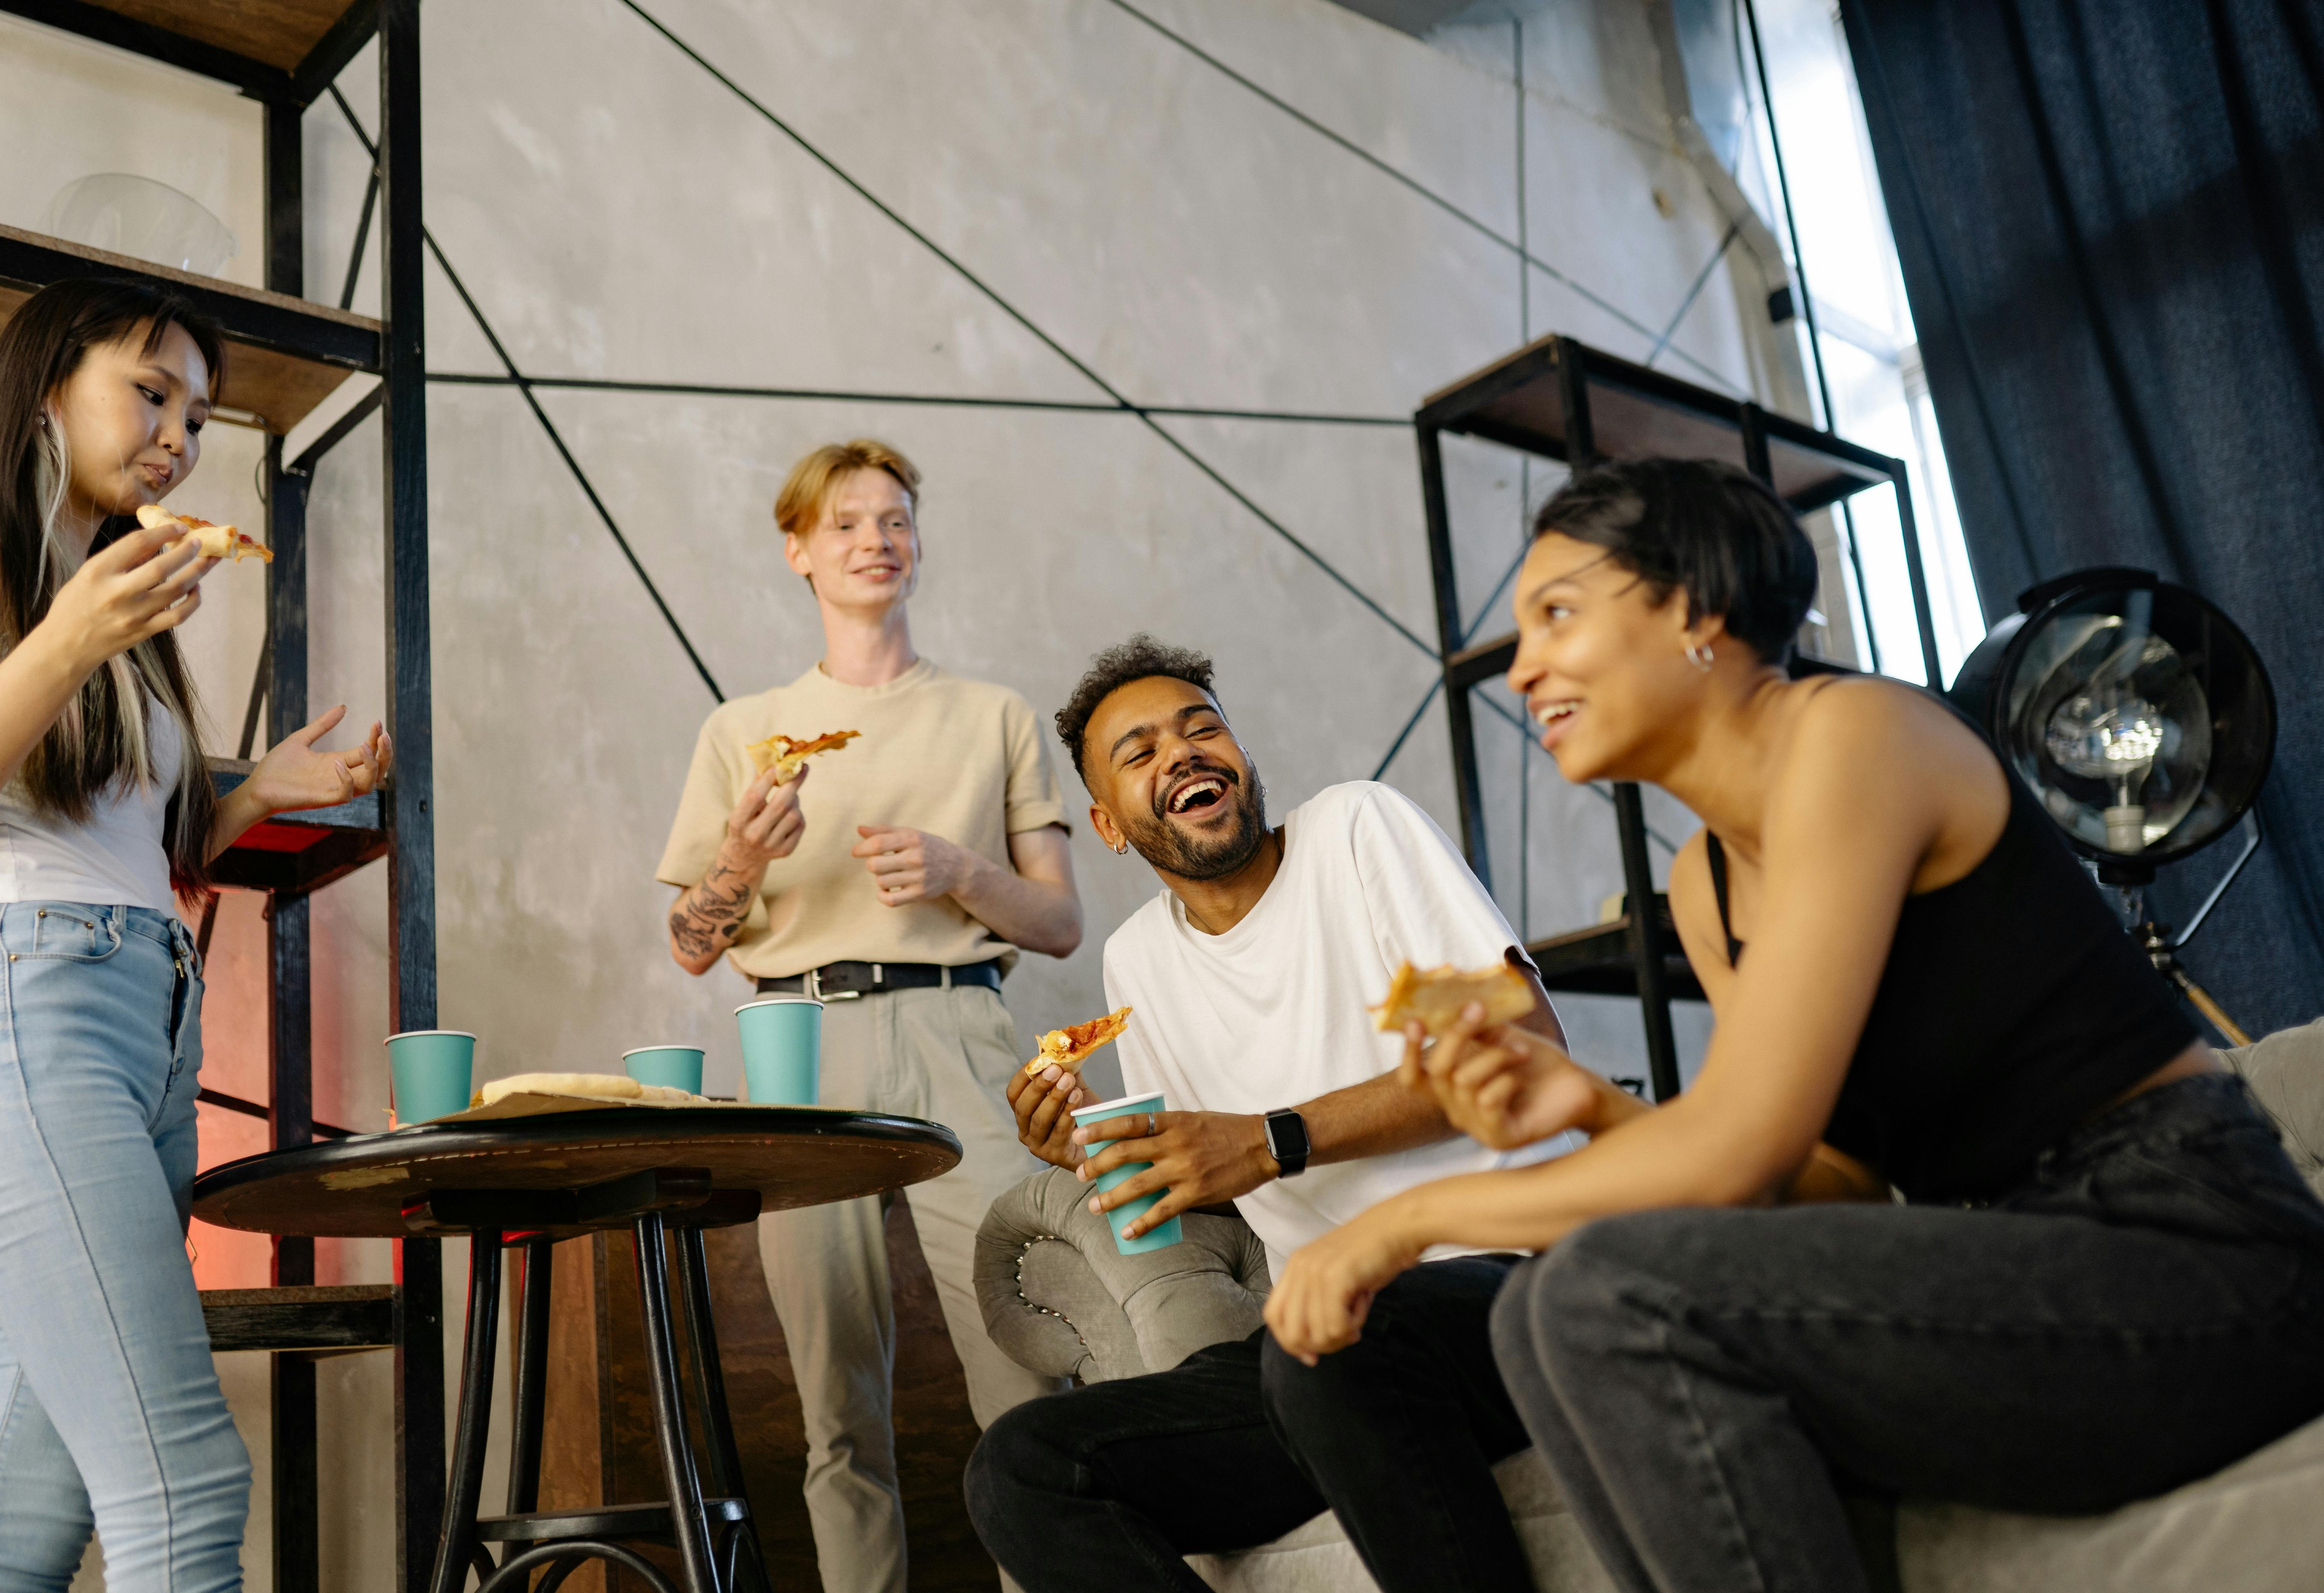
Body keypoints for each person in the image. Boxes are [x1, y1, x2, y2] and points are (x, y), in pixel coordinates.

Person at [1264, 458, 2324, 1593]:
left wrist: (1406, 1221)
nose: (1524, 667)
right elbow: (1828, 1182)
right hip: (2009, 1258)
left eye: (1559, 614)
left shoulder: (1862, 734)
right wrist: (1594, 1108)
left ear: (1694, 608)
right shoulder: (1702, 888)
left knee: (1603, 1290)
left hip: (2200, 1254)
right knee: (1535, 1314)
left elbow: (1737, 1146)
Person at [0, 278, 393, 1593]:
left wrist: (253, 797)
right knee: (189, 1487)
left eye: (198, 414)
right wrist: (72, 634)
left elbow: (136, 852)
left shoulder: (116, 614)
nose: (180, 438)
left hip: (145, 1035)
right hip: (26, 1017)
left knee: (26, 1520)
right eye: (151, 393)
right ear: (44, 388)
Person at [965, 635, 1580, 1593]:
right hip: (1320, 1344)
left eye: (1201, 727)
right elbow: (1213, 1180)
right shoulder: (1140, 963)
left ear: (1243, 762)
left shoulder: (1355, 833)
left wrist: (1269, 1138)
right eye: (1139, 752)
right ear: (1110, 823)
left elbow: (1522, 1042)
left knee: (1333, 1353)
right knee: (1023, 1466)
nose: (1181, 753)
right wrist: (1093, 1147)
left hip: (1514, 1283)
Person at [654, 439, 1083, 1593]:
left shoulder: (994, 716)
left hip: (964, 1031)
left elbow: (1056, 925)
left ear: (918, 539)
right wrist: (739, 857)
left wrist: (959, 868)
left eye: (894, 518)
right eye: (844, 522)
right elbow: (694, 944)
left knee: (1031, 1374)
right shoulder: (742, 731)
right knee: (836, 1406)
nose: (874, 539)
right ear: (798, 551)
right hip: (801, 1048)